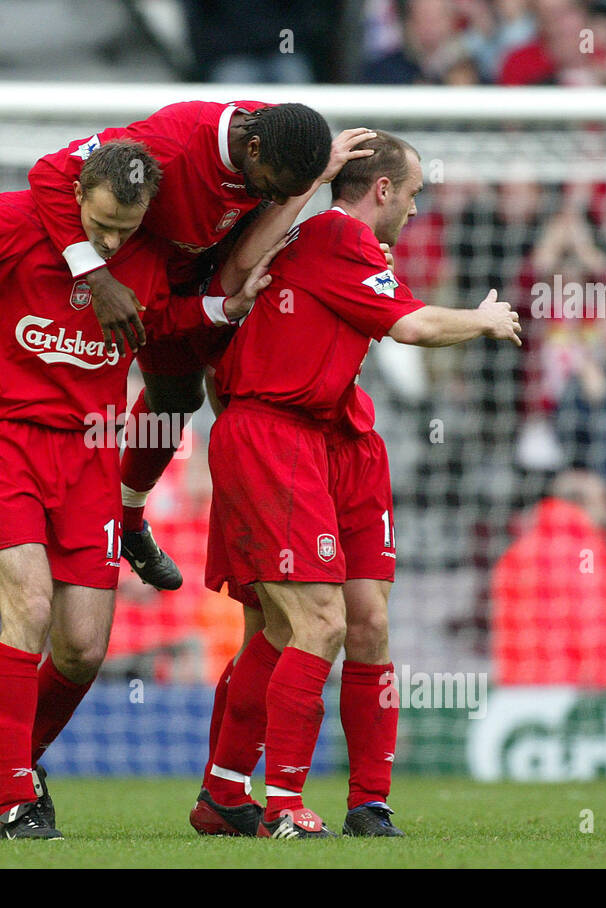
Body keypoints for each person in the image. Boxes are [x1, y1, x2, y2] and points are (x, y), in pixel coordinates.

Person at [0, 140, 275, 839]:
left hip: (90, 448)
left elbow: (163, 327)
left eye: (125, 229)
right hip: (2, 436)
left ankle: (19, 758)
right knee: (29, 606)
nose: (110, 241)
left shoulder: (154, 253)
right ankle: (14, 801)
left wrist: (221, 308)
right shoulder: (3, 222)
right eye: (99, 224)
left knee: (82, 647)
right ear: (75, 199)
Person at [195, 131, 521, 838]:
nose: (413, 209)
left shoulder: (328, 242)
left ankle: (363, 802)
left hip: (336, 435)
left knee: (362, 618)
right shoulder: (336, 238)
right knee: (308, 622)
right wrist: (485, 320)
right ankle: (274, 799)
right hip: (279, 435)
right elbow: (413, 326)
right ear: (381, 191)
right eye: (410, 194)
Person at [27, 101, 366, 591]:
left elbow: (258, 234)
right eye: (269, 186)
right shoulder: (171, 143)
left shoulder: (280, 137)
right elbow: (49, 174)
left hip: (221, 270)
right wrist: (96, 276)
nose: (270, 196)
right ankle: (123, 521)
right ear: (251, 149)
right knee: (176, 400)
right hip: (157, 276)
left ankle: (262, 544)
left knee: (248, 394)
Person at [490, 470, 606, 687]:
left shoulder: (517, 551)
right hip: (572, 684)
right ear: (583, 503)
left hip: (519, 682)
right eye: (604, 499)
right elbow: (592, 615)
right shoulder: (587, 552)